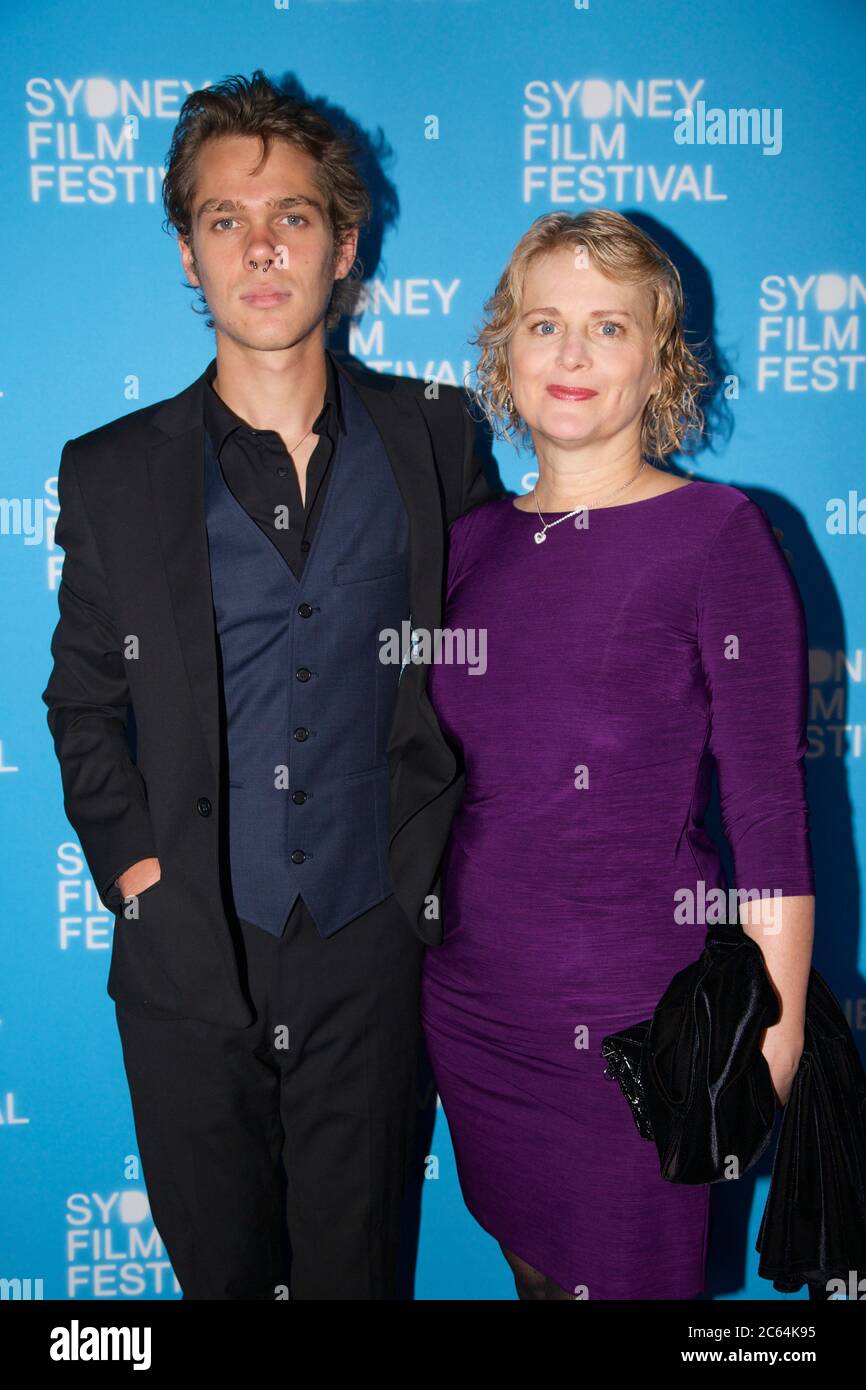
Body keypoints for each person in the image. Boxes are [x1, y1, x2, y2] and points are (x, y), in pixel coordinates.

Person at [41, 70, 496, 1300]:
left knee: (360, 1279)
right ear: (188, 253)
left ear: (344, 247)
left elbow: (499, 649)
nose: (259, 246)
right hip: (190, 949)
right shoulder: (109, 472)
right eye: (224, 220)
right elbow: (81, 700)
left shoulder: (437, 438)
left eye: (291, 216)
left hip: (372, 941)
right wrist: (139, 874)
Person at [420, 208, 816, 1300]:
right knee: (533, 1276)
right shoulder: (466, 547)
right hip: (472, 1003)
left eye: (607, 325)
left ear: (660, 360)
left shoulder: (717, 534)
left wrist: (770, 1043)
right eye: (544, 323)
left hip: (642, 1021)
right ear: (504, 349)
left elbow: (769, 814)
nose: (573, 353)